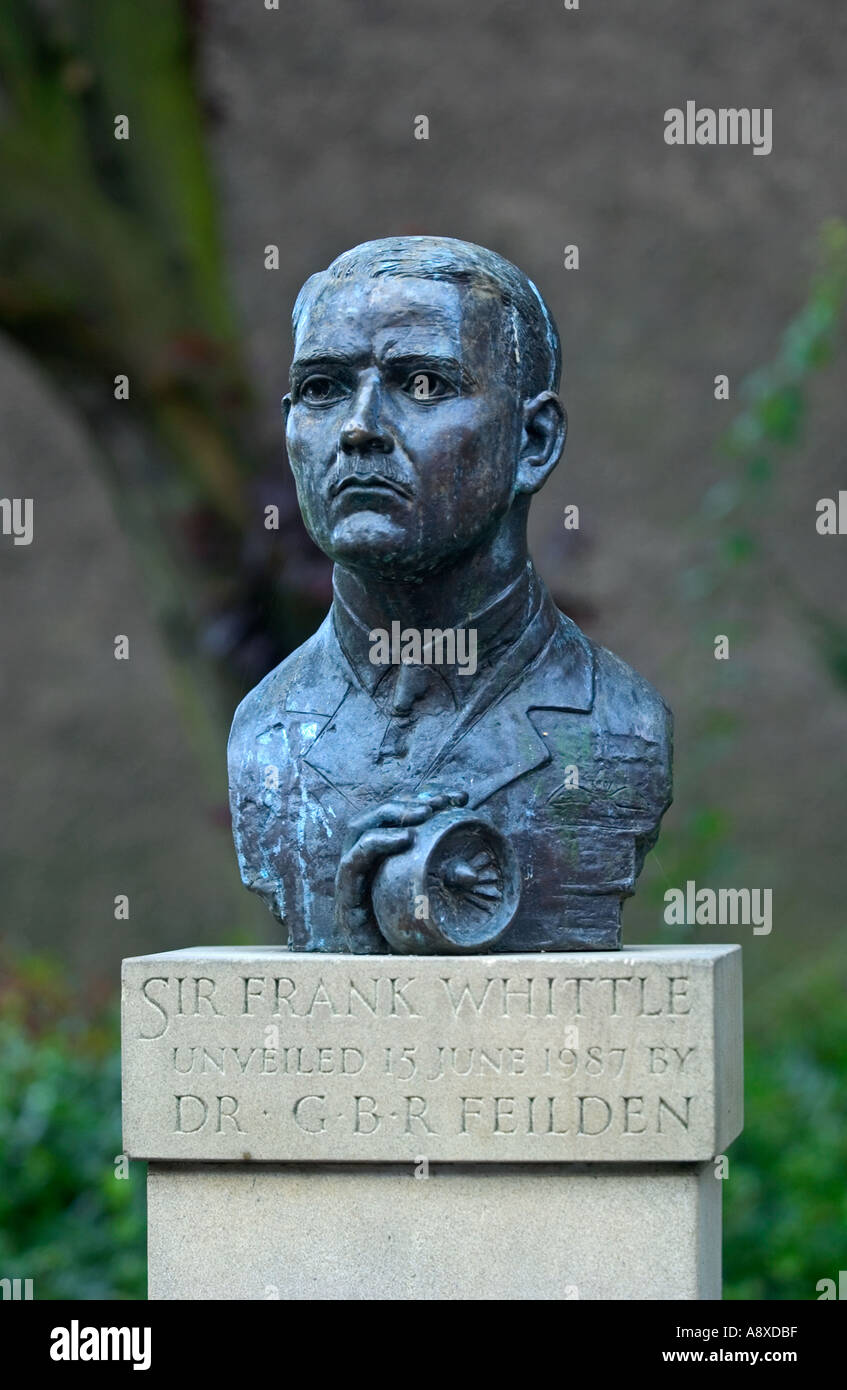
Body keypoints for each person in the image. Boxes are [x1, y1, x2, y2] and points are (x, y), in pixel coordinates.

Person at [228, 236, 672, 952]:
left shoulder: (620, 726)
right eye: (322, 388)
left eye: (423, 385)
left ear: (532, 441)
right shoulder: (266, 736)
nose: (359, 427)